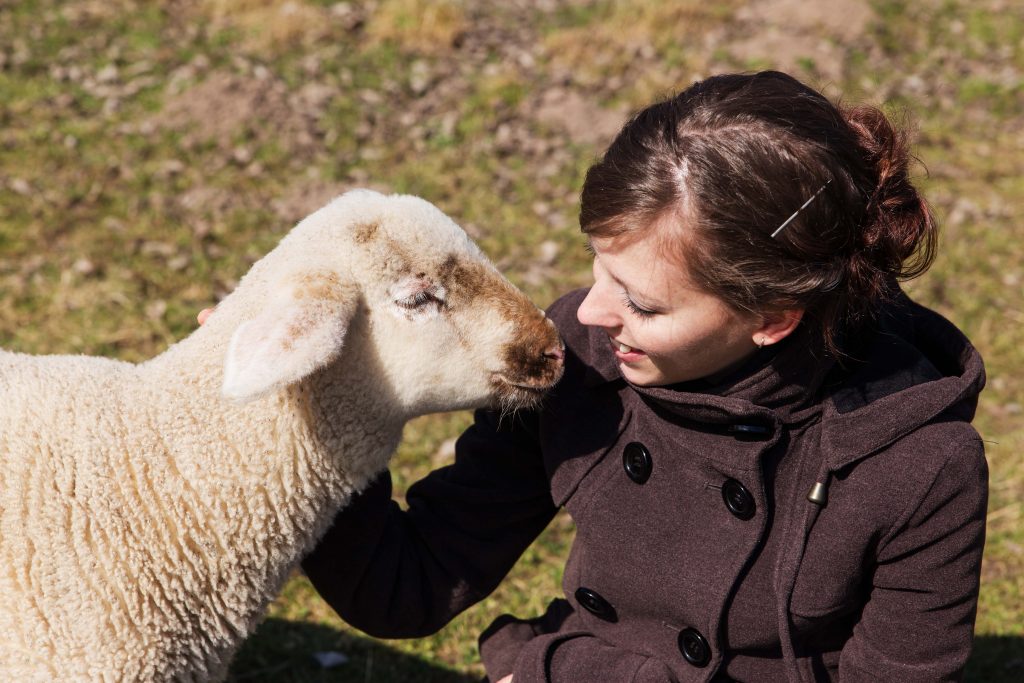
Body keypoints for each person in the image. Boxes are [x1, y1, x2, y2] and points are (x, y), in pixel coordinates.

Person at [219, 71, 989, 681]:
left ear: (772, 318)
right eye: (600, 268)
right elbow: (410, 579)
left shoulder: (919, 466)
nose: (589, 311)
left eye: (642, 304)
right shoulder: (586, 362)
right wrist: (314, 418)